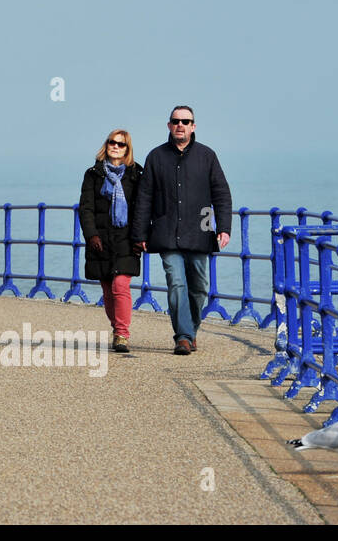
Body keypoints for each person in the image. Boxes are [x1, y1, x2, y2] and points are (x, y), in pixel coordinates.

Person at [132, 105, 233, 355]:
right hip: (166, 233)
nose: (180, 125)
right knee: (176, 283)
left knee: (199, 287)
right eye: (176, 121)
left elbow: (221, 194)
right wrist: (140, 234)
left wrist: (224, 228)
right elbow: (144, 197)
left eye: (186, 121)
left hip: (200, 230)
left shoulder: (207, 156)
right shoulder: (155, 157)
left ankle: (191, 330)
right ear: (169, 125)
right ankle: (184, 337)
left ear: (193, 126)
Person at [77, 130, 143, 353]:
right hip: (101, 240)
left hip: (127, 239)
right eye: (112, 142)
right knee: (107, 289)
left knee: (120, 285)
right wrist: (91, 235)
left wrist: (141, 237)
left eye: (121, 144)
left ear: (127, 149)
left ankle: (122, 334)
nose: (116, 146)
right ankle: (116, 328)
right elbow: (85, 208)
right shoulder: (93, 174)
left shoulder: (136, 174)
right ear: (106, 145)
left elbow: (142, 208)